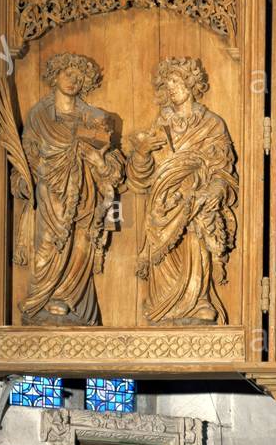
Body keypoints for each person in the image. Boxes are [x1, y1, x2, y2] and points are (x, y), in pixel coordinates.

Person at [127, 57, 238, 325]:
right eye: (167, 83)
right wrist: (141, 154)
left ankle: (197, 301)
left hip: (193, 201)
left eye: (176, 81)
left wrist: (213, 190)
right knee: (164, 256)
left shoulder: (211, 124)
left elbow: (223, 170)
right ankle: (164, 307)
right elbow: (141, 177)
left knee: (194, 243)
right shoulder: (160, 126)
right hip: (161, 204)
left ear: (190, 83)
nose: (171, 87)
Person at [16, 53, 123, 325]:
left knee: (81, 243)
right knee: (48, 245)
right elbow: (26, 155)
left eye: (79, 76)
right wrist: (23, 180)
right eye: (67, 74)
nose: (73, 80)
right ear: (55, 76)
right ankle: (41, 298)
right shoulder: (39, 116)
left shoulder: (94, 117)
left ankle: (67, 298)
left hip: (86, 192)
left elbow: (113, 160)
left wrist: (99, 162)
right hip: (49, 190)